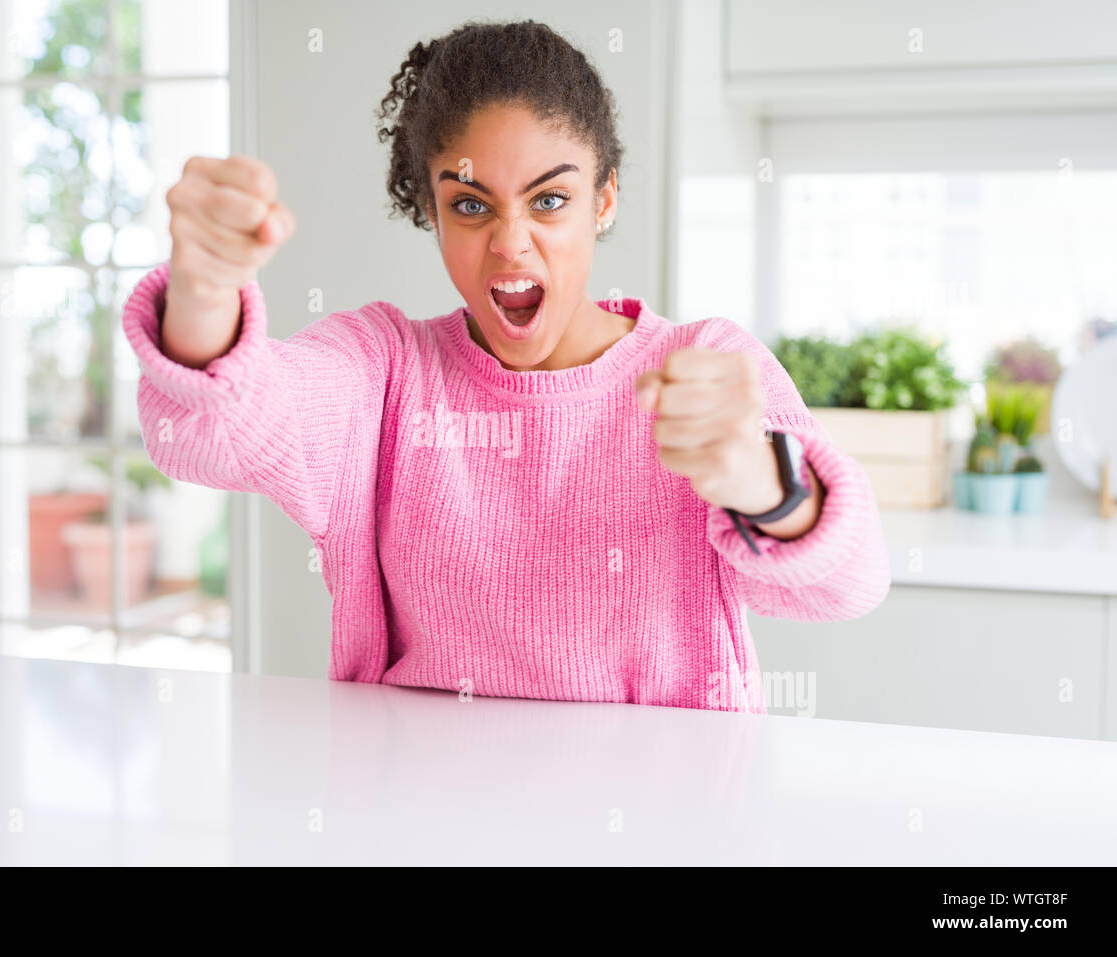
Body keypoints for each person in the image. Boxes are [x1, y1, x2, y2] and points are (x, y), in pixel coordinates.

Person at [121, 19, 890, 712]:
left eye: (550, 201)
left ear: (604, 200)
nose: (511, 243)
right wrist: (202, 290)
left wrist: (759, 480)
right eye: (471, 204)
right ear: (431, 208)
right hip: (417, 816)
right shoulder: (387, 371)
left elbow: (852, 583)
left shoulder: (704, 367)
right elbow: (212, 430)